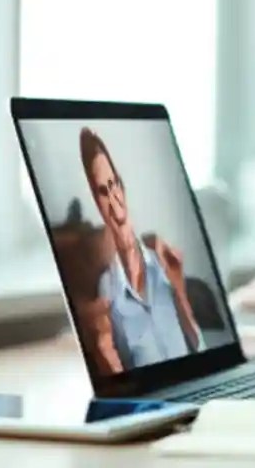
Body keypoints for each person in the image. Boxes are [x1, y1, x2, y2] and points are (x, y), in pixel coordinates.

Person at [79, 127, 209, 371]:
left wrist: (180, 292)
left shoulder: (163, 263)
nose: (115, 204)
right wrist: (103, 350)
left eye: (114, 185)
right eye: (103, 192)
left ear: (123, 188)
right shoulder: (107, 292)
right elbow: (121, 381)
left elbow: (199, 348)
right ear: (97, 203)